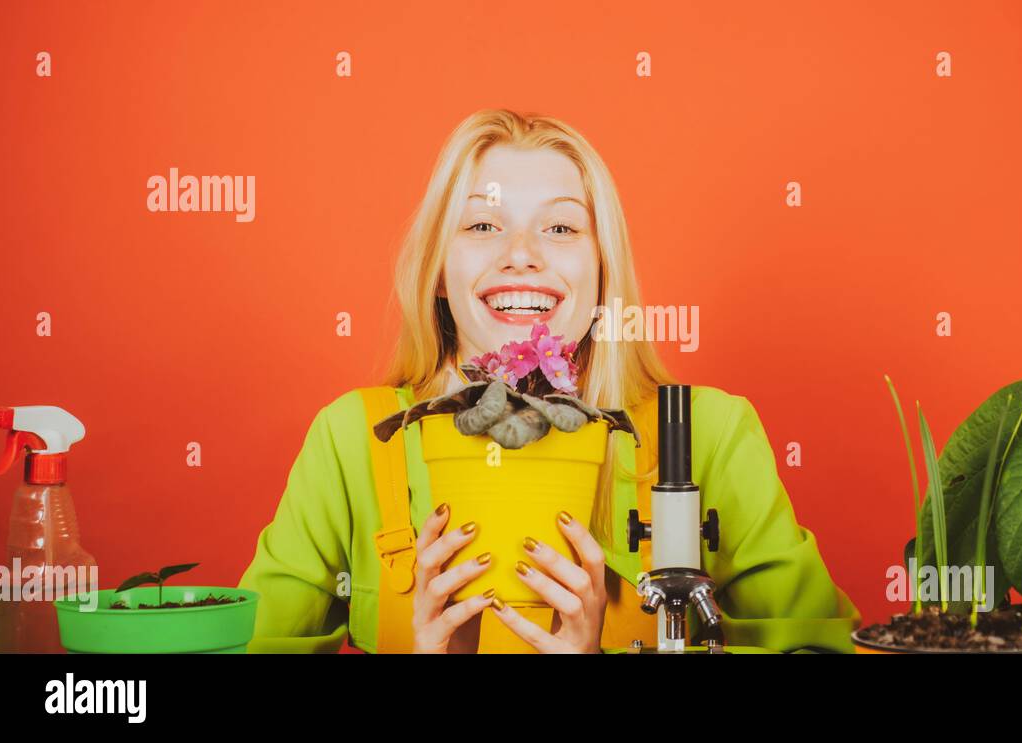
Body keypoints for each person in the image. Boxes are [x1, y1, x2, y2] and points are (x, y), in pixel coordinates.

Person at [238, 109, 859, 653]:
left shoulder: (705, 432)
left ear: (602, 268)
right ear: (438, 271)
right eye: (482, 226)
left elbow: (817, 648)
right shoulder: (354, 440)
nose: (521, 253)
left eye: (560, 228)